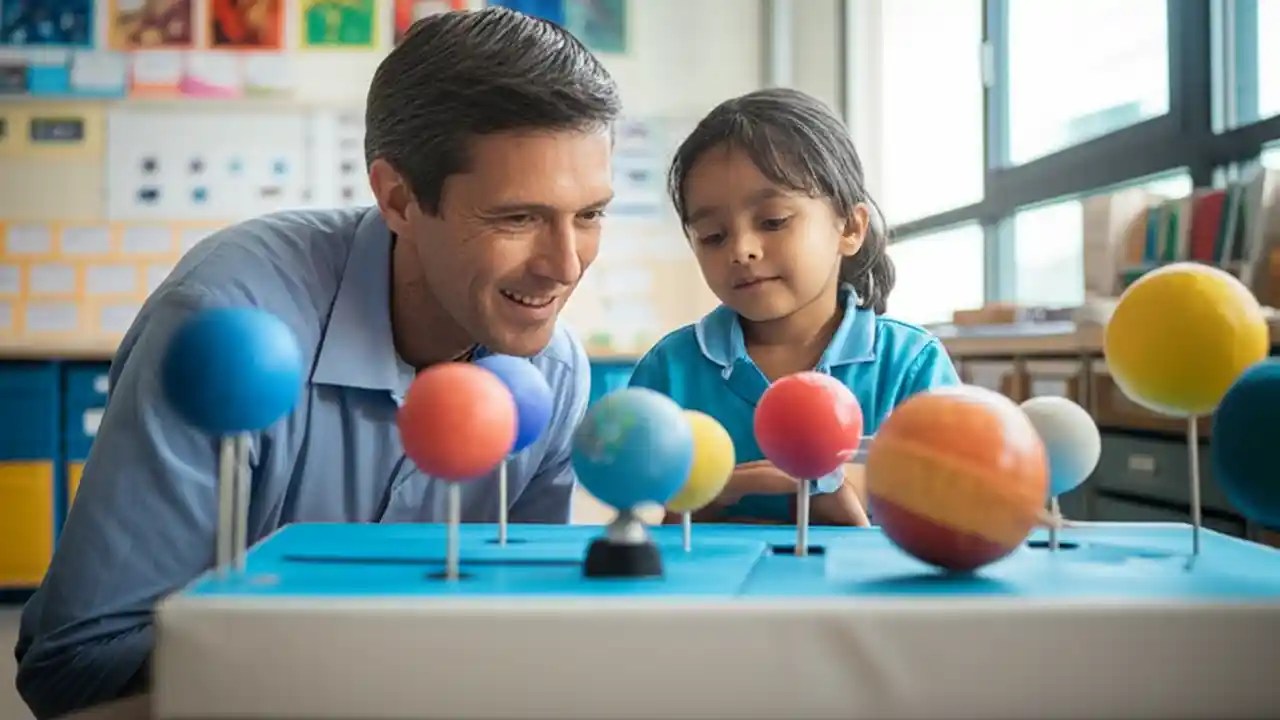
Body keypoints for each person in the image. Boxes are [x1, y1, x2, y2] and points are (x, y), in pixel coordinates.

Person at [14, 7, 619, 719]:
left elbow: (521, 632)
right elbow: (76, 669)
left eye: (589, 214)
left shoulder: (553, 374)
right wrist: (362, 668)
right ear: (399, 199)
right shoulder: (228, 324)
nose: (565, 265)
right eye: (518, 217)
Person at [628, 88, 961, 526]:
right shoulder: (669, 370)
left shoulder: (910, 366)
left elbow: (953, 515)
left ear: (850, 227)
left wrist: (846, 506)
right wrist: (704, 499)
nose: (742, 250)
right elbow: (639, 519)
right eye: (713, 236)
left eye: (773, 222)